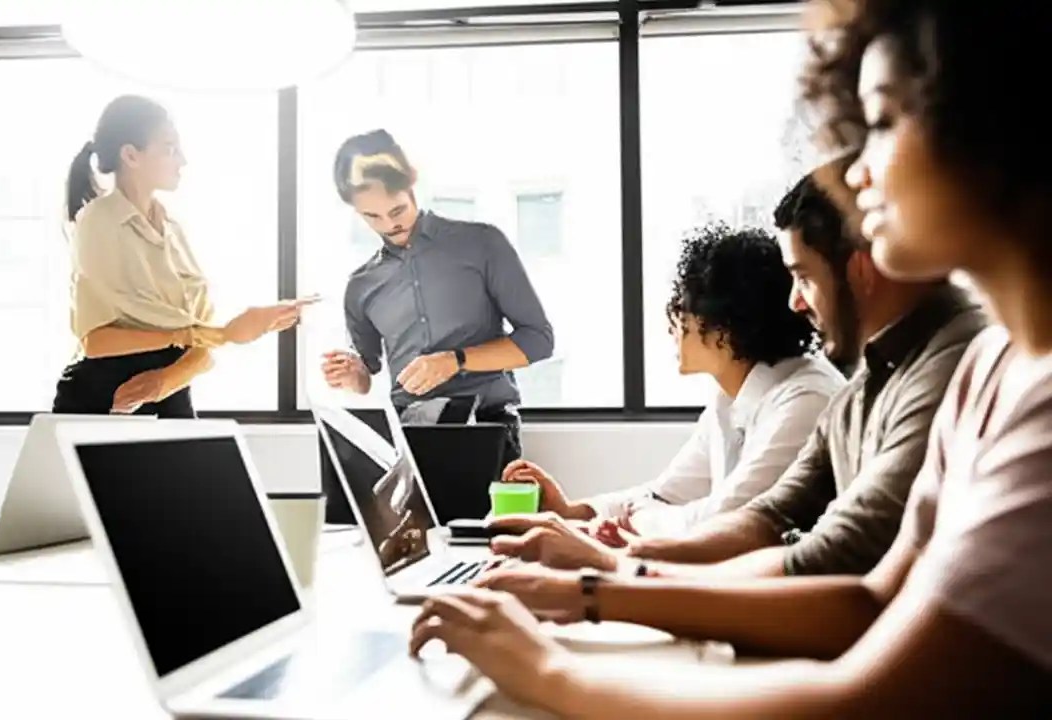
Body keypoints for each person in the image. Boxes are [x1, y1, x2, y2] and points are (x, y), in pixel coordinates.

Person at [410, 1, 1052, 714]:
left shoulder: (991, 382)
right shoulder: (990, 367)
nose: (857, 174)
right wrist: (595, 586)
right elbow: (870, 596)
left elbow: (875, 685)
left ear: (996, 121)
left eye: (885, 121)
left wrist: (557, 660)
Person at [492, 156, 987, 578]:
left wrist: (611, 571)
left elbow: (804, 550)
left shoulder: (831, 390)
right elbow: (760, 516)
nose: (796, 302)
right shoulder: (864, 382)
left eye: (804, 277)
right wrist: (596, 537)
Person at [506, 222, 843, 538]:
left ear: (728, 324)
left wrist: (640, 519)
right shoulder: (729, 399)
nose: (673, 322)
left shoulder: (805, 400)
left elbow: (727, 518)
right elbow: (667, 493)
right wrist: (573, 511)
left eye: (685, 306)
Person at [55, 94, 311, 418]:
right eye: (170, 148)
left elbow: (202, 345)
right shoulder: (97, 221)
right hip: (106, 397)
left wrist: (166, 380)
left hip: (170, 393)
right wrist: (215, 334)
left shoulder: (173, 228)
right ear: (131, 155)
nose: (183, 160)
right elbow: (96, 341)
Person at [320, 129, 554, 464]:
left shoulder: (482, 244)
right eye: (372, 216)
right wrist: (350, 372)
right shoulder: (361, 285)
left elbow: (539, 341)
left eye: (397, 210)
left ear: (412, 186)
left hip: (486, 428)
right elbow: (365, 376)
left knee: (486, 519)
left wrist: (454, 360)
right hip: (409, 436)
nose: (389, 224)